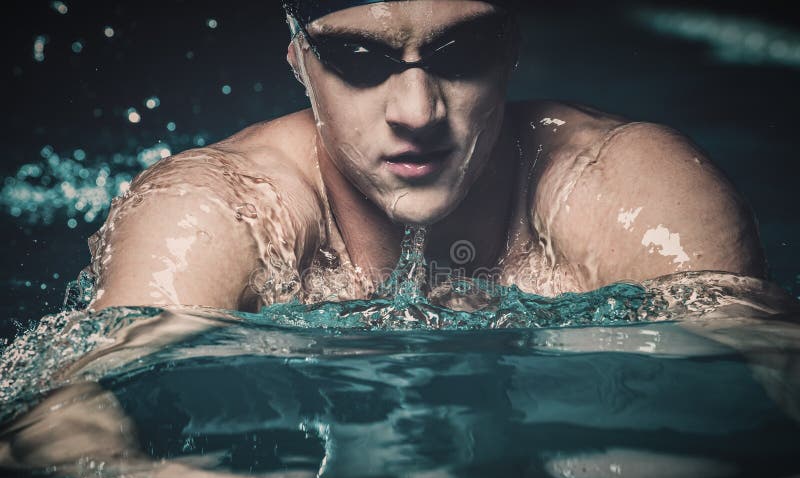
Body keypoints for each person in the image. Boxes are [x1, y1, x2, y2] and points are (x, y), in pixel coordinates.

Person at [87, 0, 765, 313]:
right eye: (359, 59)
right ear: (299, 62)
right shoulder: (216, 210)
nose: (417, 111)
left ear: (511, 51)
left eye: (461, 54)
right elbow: (72, 417)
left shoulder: (628, 187)